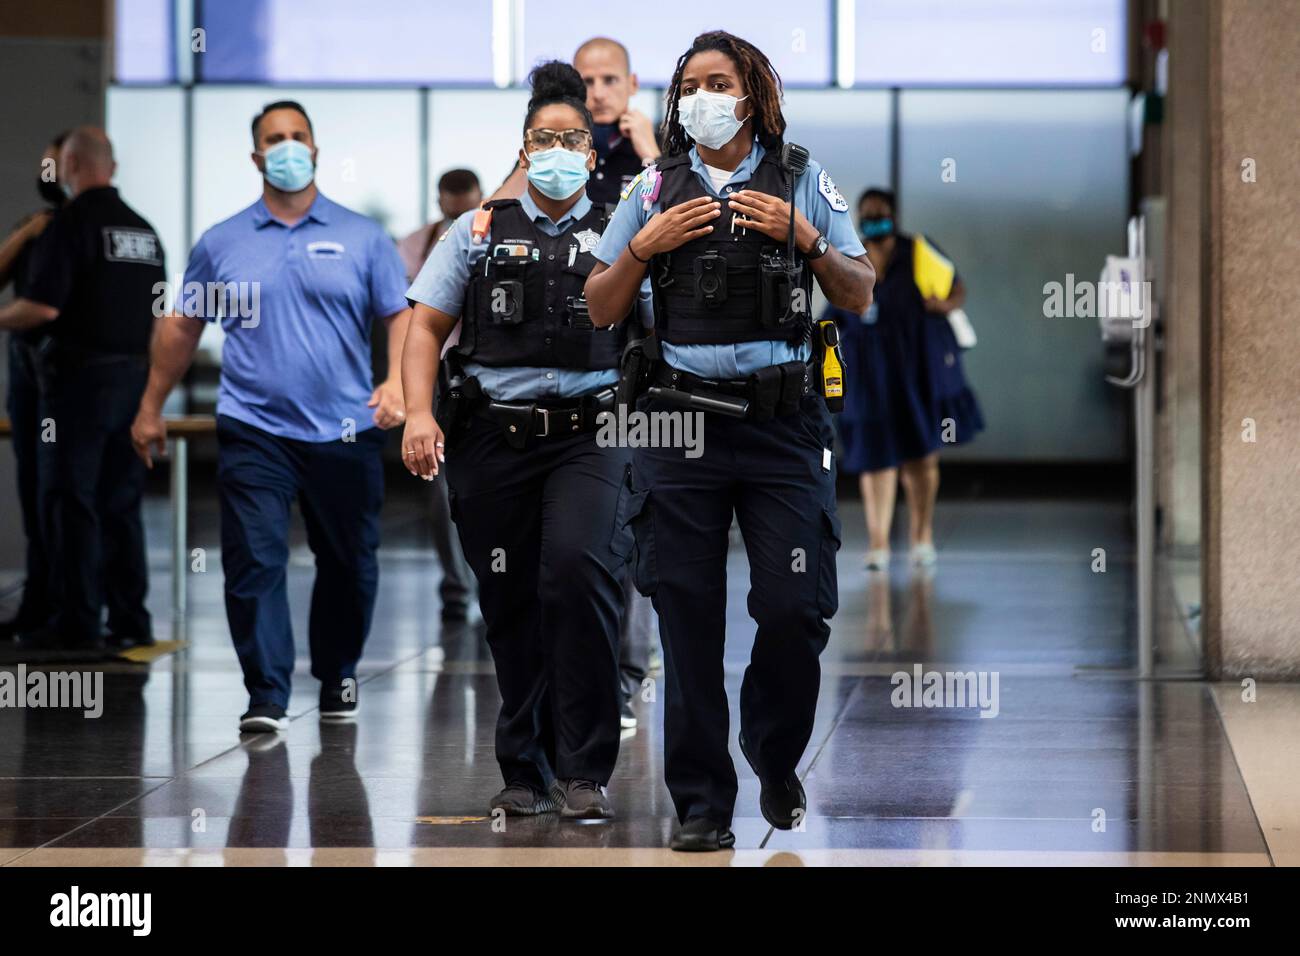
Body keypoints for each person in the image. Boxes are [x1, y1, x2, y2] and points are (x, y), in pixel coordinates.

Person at [584, 31, 874, 851]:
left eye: (720, 82)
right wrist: (645, 247)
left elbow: (858, 293)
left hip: (784, 425)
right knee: (687, 618)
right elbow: (600, 307)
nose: (702, 97)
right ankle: (702, 803)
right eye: (690, 85)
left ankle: (774, 755)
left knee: (793, 608)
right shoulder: (650, 188)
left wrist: (805, 237)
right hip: (679, 425)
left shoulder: (802, 178)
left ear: (753, 94)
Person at [129, 100, 412, 733]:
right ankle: (267, 693)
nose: (287, 148)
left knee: (349, 561)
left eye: (297, 137)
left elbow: (401, 315)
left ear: (315, 148)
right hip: (254, 427)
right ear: (256, 157)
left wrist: (397, 382)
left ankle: (338, 671)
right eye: (273, 139)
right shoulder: (222, 242)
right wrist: (150, 407)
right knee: (254, 560)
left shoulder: (363, 237)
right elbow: (182, 326)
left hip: (345, 427)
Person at [401, 61, 633, 820]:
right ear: (524, 149)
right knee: (509, 602)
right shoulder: (475, 231)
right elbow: (423, 326)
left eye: (574, 138)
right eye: (545, 138)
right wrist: (418, 412)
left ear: (592, 152)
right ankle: (524, 771)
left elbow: (656, 330)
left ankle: (585, 769)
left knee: (577, 574)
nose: (559, 149)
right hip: (494, 441)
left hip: (591, 437)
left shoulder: (624, 227)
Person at [487, 36, 660, 731]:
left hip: (636, 378)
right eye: (585, 80)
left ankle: (622, 677)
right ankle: (563, 690)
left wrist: (651, 152)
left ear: (632, 83)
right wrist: (530, 155)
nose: (596, 91)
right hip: (552, 388)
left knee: (624, 540)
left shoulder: (655, 157)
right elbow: (492, 221)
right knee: (565, 551)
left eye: (609, 79)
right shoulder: (554, 155)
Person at [0, 127, 164, 654]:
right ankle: (132, 620)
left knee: (70, 501)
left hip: (75, 388)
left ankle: (76, 622)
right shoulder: (144, 230)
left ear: (69, 164)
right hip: (134, 381)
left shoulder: (68, 225)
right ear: (111, 167)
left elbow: (42, 308)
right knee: (120, 503)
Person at [824, 188, 982, 571]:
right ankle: (878, 544)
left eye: (880, 213)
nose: (873, 219)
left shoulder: (920, 252)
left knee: (921, 457)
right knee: (876, 460)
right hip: (868, 372)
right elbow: (832, 311)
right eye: (866, 213)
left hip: (918, 368)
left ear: (894, 216)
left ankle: (921, 536)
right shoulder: (850, 255)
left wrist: (943, 305)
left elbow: (957, 287)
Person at [397, 168, 481, 623]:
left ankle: (493, 580)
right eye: (451, 204)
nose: (458, 213)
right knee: (441, 486)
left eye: (466, 204)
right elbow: (406, 318)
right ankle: (455, 587)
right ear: (439, 200)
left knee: (489, 481)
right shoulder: (416, 244)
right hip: (438, 376)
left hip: (484, 374)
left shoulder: (492, 233)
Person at [0, 131, 66, 642]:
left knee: (59, 497)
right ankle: (38, 603)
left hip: (66, 381)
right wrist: (26, 235)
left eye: (55, 168)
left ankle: (65, 609)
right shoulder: (36, 229)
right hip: (25, 377)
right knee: (33, 490)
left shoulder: (81, 230)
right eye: (42, 169)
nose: (48, 178)